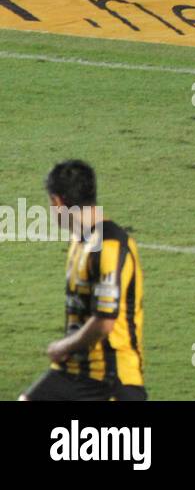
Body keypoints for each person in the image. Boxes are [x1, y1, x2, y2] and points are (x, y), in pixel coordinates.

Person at [19, 160, 146, 401]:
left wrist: (62, 347)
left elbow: (104, 322)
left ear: (58, 203)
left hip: (109, 381)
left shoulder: (109, 245)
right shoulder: (81, 242)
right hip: (72, 373)